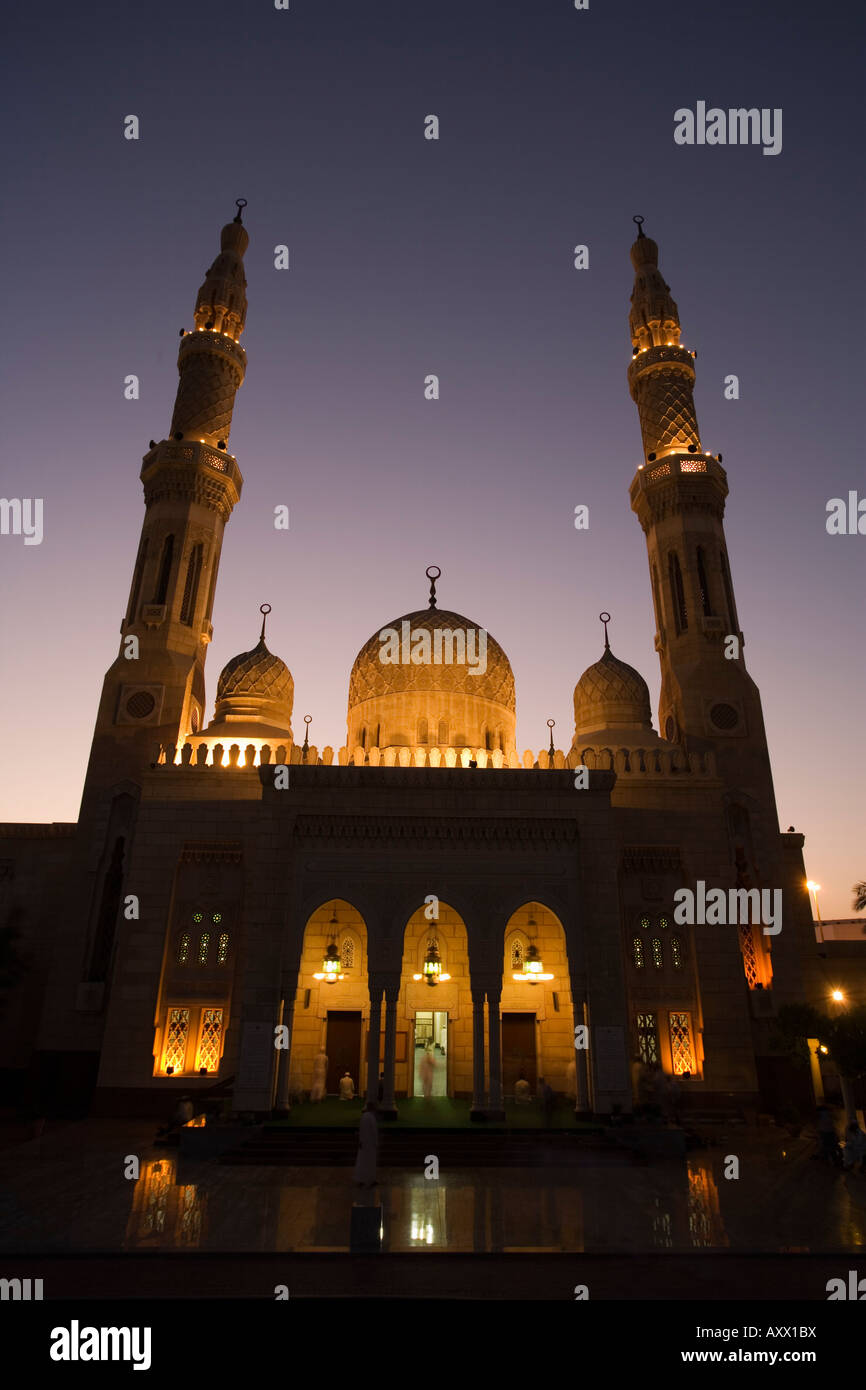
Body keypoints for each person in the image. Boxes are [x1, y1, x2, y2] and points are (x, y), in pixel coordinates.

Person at [353, 1101, 379, 1187]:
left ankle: (360, 1179)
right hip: (370, 1144)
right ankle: (370, 1179)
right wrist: (376, 1142)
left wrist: (360, 1141)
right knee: (370, 1162)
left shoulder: (364, 1116)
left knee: (362, 1161)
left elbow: (361, 1130)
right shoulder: (372, 1118)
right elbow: (374, 1132)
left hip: (363, 1143)